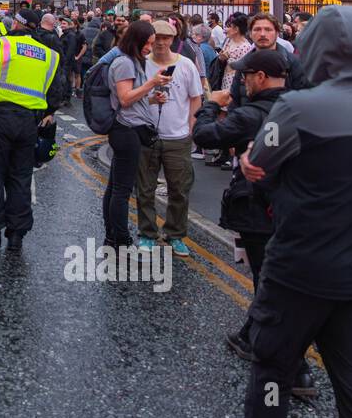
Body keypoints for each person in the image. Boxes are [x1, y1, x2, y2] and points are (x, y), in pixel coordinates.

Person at [240, 5, 352, 418]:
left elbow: (257, 163)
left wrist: (247, 157)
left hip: (300, 271)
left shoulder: (297, 107)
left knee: (273, 376)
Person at [192, 48, 316, 398]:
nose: (243, 81)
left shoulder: (251, 114)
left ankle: (297, 370)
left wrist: (211, 105)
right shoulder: (303, 108)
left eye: (246, 76)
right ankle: (249, 335)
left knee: (269, 284)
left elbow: (204, 137)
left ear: (260, 78)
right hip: (298, 208)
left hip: (258, 209)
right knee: (273, 280)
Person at [0, 7, 58, 252]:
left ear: (15, 23)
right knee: (20, 176)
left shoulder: (1, 45)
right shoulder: (49, 55)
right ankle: (16, 235)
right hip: (29, 122)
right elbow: (56, 93)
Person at [134, 20, 202, 255]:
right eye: (157, 38)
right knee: (145, 189)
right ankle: (147, 233)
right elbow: (132, 96)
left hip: (178, 136)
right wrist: (151, 98)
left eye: (166, 38)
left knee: (179, 189)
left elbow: (196, 97)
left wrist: (192, 126)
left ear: (173, 40)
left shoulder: (185, 65)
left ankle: (175, 234)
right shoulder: (141, 65)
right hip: (147, 135)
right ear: (150, 40)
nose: (161, 42)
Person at [103, 20, 169, 249]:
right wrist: (152, 83)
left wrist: (152, 97)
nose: (150, 48)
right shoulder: (125, 63)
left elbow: (132, 99)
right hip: (126, 130)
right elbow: (124, 98)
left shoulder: (132, 62)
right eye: (148, 43)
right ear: (137, 40)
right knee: (121, 190)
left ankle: (112, 235)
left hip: (128, 127)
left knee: (114, 187)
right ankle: (120, 239)